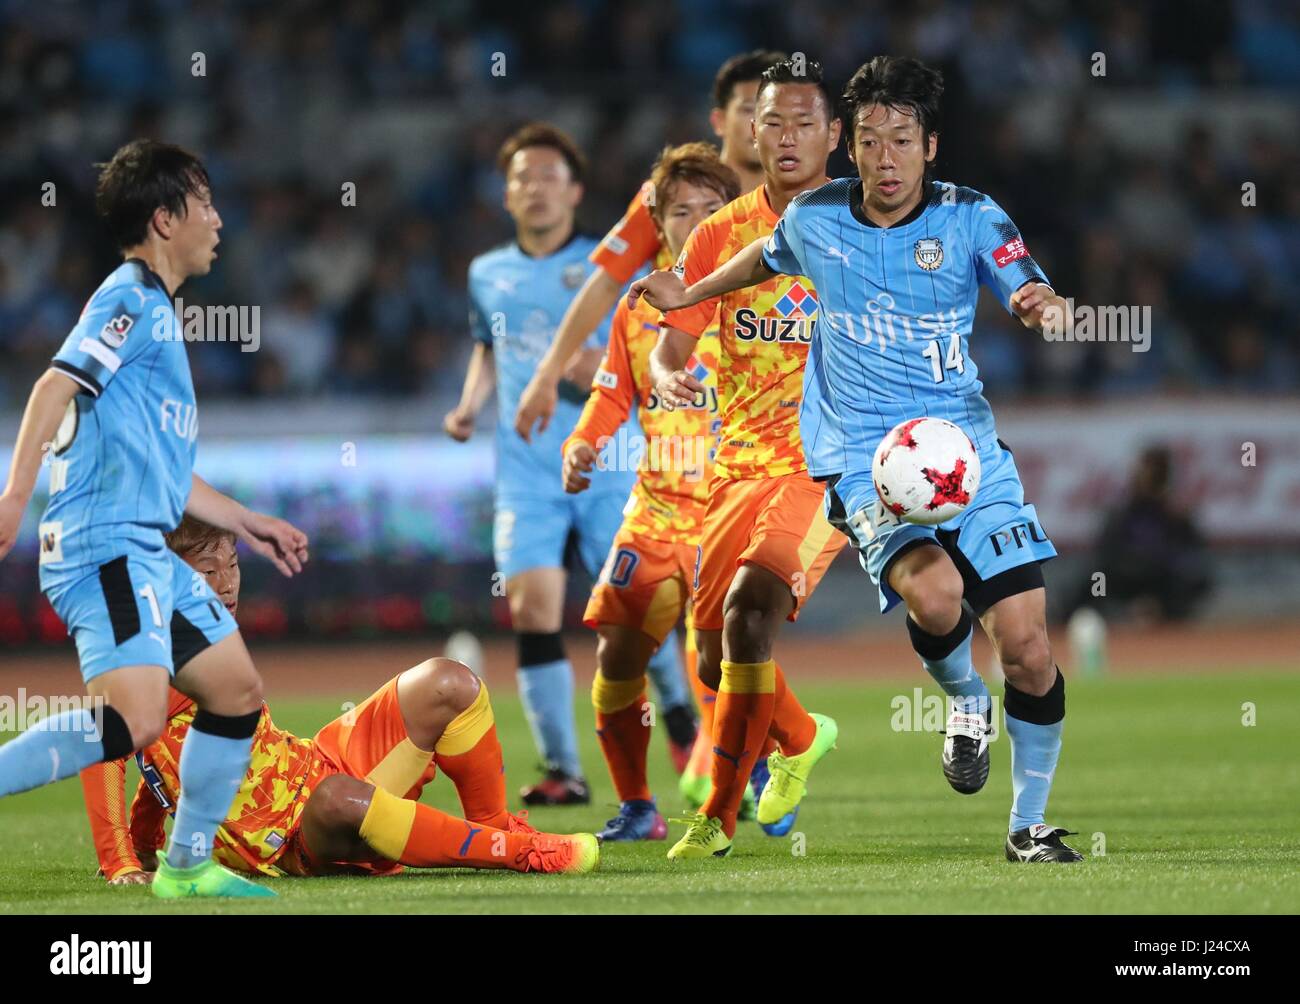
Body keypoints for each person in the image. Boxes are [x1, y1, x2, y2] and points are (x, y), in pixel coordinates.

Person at [632, 56, 1083, 863]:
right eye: (870, 141)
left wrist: (1039, 305)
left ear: (929, 147)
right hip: (863, 458)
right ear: (856, 147)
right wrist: (689, 293)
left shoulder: (972, 217)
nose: (884, 159)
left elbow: (1022, 283)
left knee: (1030, 645)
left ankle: (1029, 827)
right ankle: (964, 700)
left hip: (965, 451)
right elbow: (763, 257)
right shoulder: (816, 218)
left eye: (901, 141)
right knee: (939, 599)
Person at [0, 139, 310, 898]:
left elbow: (168, 479)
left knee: (235, 689)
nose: (219, 220)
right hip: (101, 548)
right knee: (135, 718)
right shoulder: (130, 298)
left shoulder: (161, 314)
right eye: (205, 204)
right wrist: (13, 496)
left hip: (142, 547)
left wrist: (246, 520)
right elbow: (51, 387)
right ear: (166, 219)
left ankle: (187, 865)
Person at [80, 516, 599, 882]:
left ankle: (494, 828)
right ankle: (520, 853)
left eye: (232, 565)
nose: (227, 583)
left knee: (449, 681)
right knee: (339, 799)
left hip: (323, 764)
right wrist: (123, 861)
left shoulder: (207, 641)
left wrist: (148, 839)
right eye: (207, 571)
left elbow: (169, 760)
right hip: (298, 837)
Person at [444, 123, 689, 806]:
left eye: (551, 176)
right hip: (527, 467)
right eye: (524, 177)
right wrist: (469, 406)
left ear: (576, 192)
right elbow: (487, 347)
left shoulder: (611, 266)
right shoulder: (485, 272)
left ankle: (682, 721)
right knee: (531, 606)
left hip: (612, 461)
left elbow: (650, 350)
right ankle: (563, 770)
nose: (537, 188)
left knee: (639, 610)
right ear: (507, 195)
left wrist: (597, 369)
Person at [644, 60, 850, 860]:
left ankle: (715, 819)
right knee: (712, 652)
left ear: (835, 136)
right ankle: (797, 737)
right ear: (749, 133)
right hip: (736, 467)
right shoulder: (719, 235)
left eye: (805, 122)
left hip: (825, 464)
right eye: (772, 122)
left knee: (750, 609)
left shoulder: (868, 227)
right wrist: (672, 381)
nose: (788, 136)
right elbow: (672, 346)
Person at [561, 142, 741, 841]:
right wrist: (582, 444)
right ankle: (639, 804)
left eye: (711, 209)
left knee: (722, 653)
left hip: (731, 504)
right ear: (659, 224)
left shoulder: (760, 290)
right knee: (617, 653)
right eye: (680, 211)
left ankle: (746, 770)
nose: (695, 221)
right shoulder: (637, 308)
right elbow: (611, 396)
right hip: (656, 506)